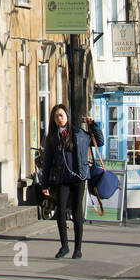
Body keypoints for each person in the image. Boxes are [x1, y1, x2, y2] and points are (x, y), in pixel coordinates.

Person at [41, 104, 105, 258]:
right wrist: (45, 184)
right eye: (56, 116)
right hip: (62, 179)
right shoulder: (52, 137)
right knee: (61, 212)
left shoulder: (79, 133)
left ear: (67, 116)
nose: (59, 119)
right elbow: (47, 161)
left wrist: (93, 125)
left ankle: (78, 249)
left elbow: (100, 141)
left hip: (78, 178)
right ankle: (64, 246)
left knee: (77, 214)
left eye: (61, 115)